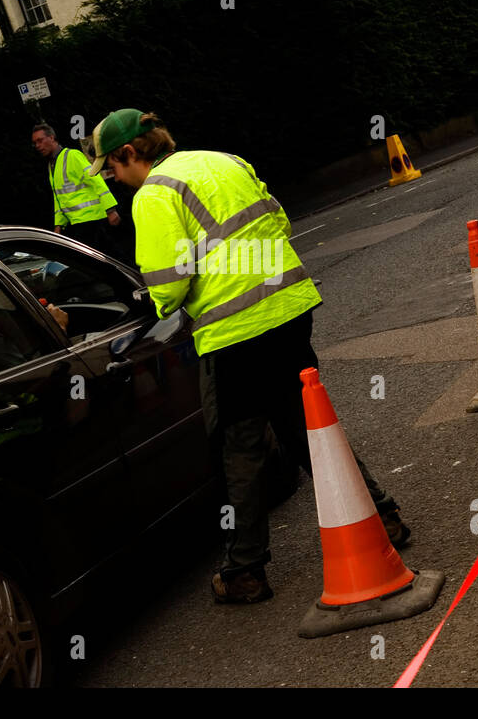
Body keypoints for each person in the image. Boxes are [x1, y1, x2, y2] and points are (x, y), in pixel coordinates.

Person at [87, 108, 409, 605]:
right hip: (289, 307)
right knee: (304, 424)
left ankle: (244, 569)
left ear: (130, 152)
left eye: (111, 167)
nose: (113, 179)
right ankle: (382, 517)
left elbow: (168, 284)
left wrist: (156, 304)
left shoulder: (154, 194)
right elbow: (277, 220)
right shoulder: (225, 161)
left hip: (235, 332)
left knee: (240, 448)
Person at [32, 123, 123, 258]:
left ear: (51, 138)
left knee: (107, 259)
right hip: (79, 223)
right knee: (108, 259)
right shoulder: (51, 165)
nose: (38, 146)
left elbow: (95, 179)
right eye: (35, 143)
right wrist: (58, 225)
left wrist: (111, 209)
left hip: (93, 220)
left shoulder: (72, 155)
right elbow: (60, 198)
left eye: (40, 140)